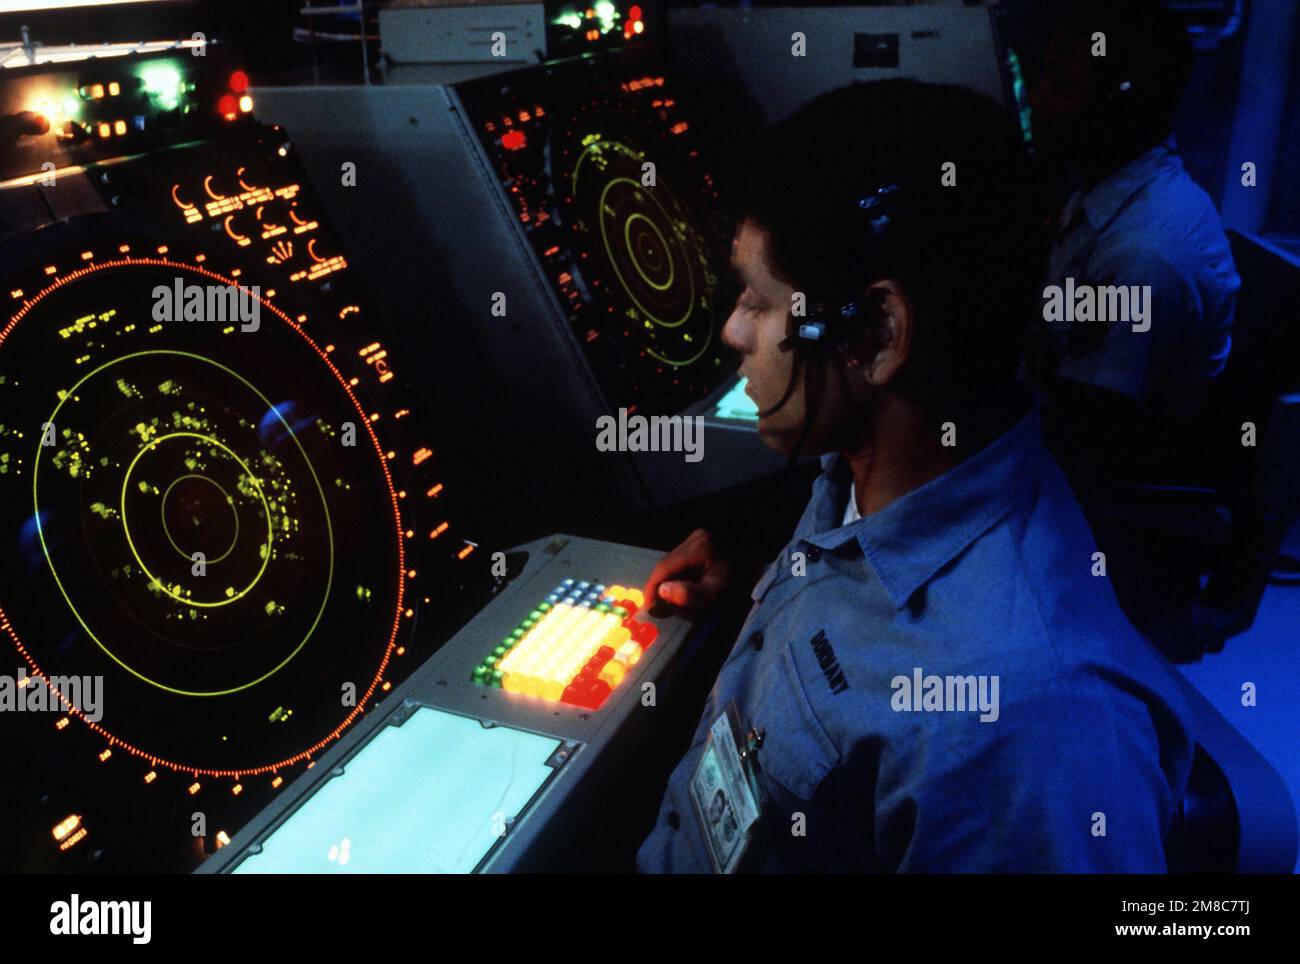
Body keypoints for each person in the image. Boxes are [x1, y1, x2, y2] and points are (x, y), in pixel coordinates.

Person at [635, 79, 1194, 873]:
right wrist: (755, 593)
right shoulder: (878, 471)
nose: (732, 331)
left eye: (760, 303)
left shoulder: (1024, 729)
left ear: (878, 334)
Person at [1029, 0, 1240, 491]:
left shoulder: (1143, 253)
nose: (1035, 98)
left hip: (1097, 511)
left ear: (1118, 110)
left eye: (1061, 86)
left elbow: (1085, 444)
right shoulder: (1109, 186)